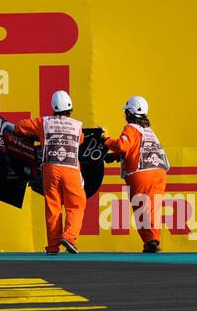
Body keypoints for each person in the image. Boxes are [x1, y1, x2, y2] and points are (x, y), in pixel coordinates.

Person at [10, 90, 88, 254]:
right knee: (76, 205)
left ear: (53, 107)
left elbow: (19, 127)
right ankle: (69, 237)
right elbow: (80, 140)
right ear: (70, 108)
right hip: (71, 169)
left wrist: (35, 136)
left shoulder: (43, 122)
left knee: (53, 207)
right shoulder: (76, 125)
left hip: (50, 169)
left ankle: (53, 246)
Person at [104, 95, 169, 253]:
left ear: (130, 113)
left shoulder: (131, 128)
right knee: (153, 208)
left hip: (142, 173)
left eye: (126, 112)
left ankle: (149, 241)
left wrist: (105, 140)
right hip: (159, 172)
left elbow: (122, 145)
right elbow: (134, 149)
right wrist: (114, 157)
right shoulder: (149, 131)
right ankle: (155, 240)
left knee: (141, 208)